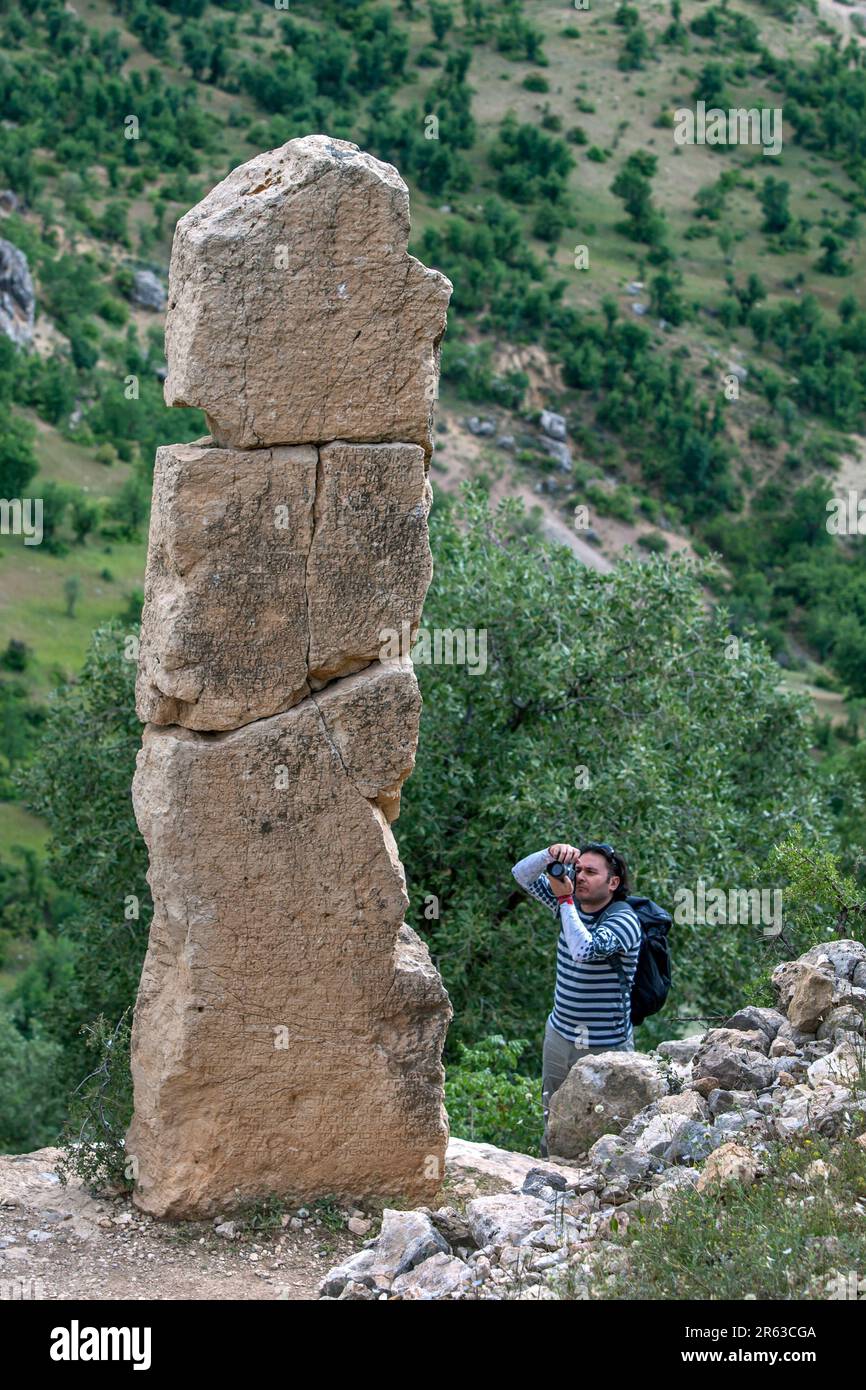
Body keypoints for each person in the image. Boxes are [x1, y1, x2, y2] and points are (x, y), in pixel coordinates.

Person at [511, 841, 642, 1159]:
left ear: (613, 883)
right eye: (578, 869)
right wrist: (549, 855)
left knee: (607, 1124)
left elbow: (585, 951)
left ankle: (598, 1187)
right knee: (552, 1113)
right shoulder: (569, 908)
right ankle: (549, 1168)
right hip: (559, 1035)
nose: (580, 876)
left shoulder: (624, 921)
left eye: (591, 872)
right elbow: (521, 874)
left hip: (605, 1046)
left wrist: (565, 898)